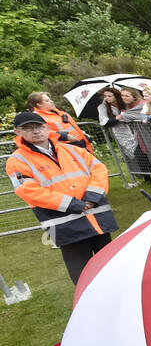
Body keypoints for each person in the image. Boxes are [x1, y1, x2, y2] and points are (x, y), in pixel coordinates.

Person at [6, 112, 117, 285]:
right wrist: (73, 204)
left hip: (96, 216)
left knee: (112, 262)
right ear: (17, 132)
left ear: (47, 127)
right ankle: (88, 304)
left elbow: (99, 170)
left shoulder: (72, 149)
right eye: (28, 128)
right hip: (63, 222)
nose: (35, 131)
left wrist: (92, 197)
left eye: (39, 126)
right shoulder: (17, 161)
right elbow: (28, 191)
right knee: (81, 271)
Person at [27, 91, 93, 152]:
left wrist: (83, 137)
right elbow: (41, 133)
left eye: (50, 99)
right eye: (47, 101)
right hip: (66, 150)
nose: (51, 101)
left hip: (81, 146)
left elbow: (73, 128)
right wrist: (63, 136)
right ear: (39, 104)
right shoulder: (35, 117)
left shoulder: (58, 112)